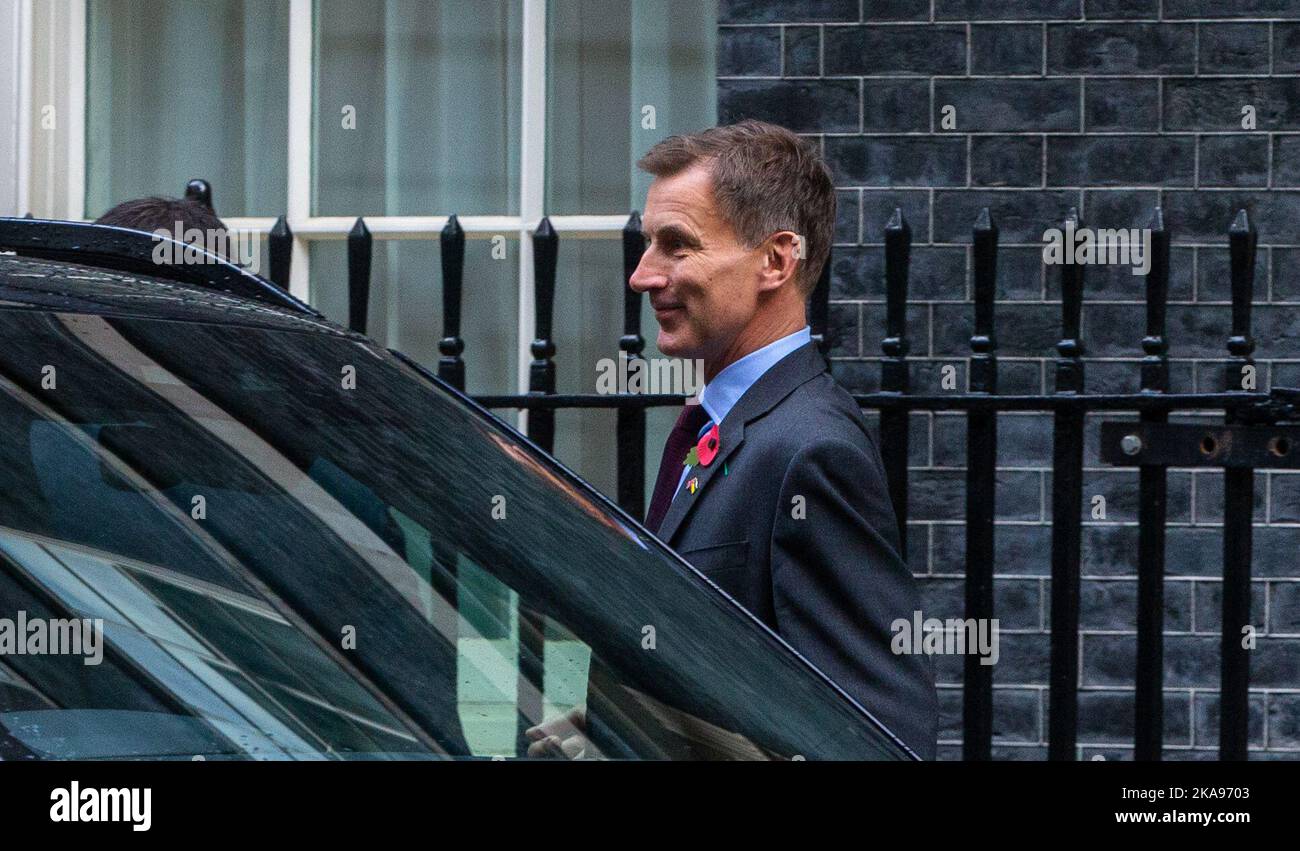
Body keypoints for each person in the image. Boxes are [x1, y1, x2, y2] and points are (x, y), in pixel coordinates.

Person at [530, 119, 939, 760]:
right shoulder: (730, 425)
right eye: (647, 244)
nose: (642, 276)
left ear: (775, 261)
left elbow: (876, 740)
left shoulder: (810, 450)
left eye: (677, 245)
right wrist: (610, 730)